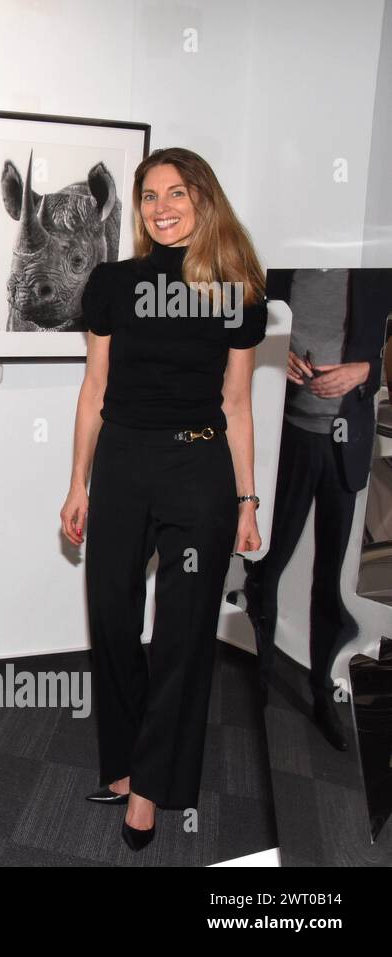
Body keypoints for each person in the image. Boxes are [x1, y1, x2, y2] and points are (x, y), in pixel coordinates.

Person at [60, 147, 267, 851]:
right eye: (149, 195)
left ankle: (150, 788)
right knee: (113, 620)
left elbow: (238, 403)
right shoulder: (112, 283)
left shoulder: (237, 292)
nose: (161, 206)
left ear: (204, 200)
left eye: (176, 192)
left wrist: (246, 500)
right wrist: (76, 481)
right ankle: (121, 764)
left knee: (181, 633)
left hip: (198, 465)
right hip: (121, 461)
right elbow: (94, 389)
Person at [243, 268, 392, 750]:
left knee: (328, 579)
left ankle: (322, 692)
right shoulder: (286, 260)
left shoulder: (380, 264)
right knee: (265, 565)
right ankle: (257, 684)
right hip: (285, 437)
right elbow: (246, 324)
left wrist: (368, 369)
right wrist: (274, 354)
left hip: (344, 444)